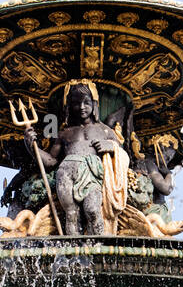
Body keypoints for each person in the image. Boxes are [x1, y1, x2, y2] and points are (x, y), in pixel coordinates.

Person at [24, 80, 128, 235]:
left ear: (94, 104)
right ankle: (74, 253)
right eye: (76, 103)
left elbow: (125, 157)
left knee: (92, 210)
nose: (81, 107)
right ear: (69, 107)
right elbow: (51, 161)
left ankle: (98, 248)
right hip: (66, 172)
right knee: (71, 214)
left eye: (86, 103)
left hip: (92, 174)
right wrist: (32, 146)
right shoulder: (65, 133)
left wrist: (111, 147)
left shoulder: (105, 131)